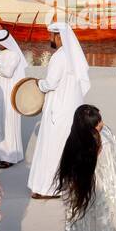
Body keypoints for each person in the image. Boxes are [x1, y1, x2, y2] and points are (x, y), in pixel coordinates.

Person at [27, 21, 91, 199]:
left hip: (57, 111)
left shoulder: (59, 57)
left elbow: (50, 83)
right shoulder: (72, 56)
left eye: (52, 35)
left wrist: (38, 83)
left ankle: (47, 188)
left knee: (51, 149)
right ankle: (62, 185)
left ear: (59, 36)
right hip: (70, 109)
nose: (50, 38)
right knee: (64, 148)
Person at [0, 29, 26, 166]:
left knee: (9, 124)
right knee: (0, 122)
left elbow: (7, 72)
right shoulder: (1, 52)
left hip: (10, 94)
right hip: (1, 94)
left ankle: (11, 157)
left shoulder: (14, 55)